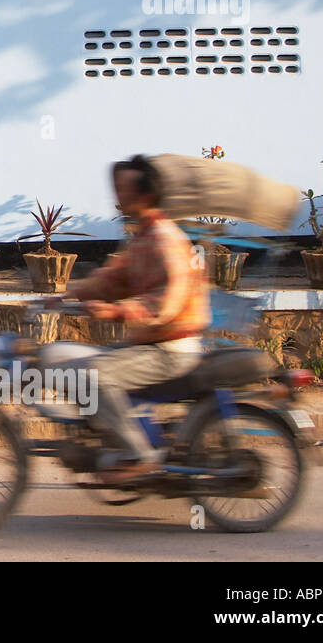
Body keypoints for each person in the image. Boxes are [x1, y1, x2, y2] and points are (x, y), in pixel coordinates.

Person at [55, 155, 211, 483]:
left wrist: (116, 311)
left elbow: (166, 303)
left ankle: (139, 456)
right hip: (149, 343)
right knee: (71, 367)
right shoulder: (143, 236)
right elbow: (113, 279)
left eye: (123, 190)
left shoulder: (165, 239)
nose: (117, 197)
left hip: (171, 347)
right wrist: (65, 297)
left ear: (144, 196)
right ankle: (109, 438)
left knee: (94, 377)